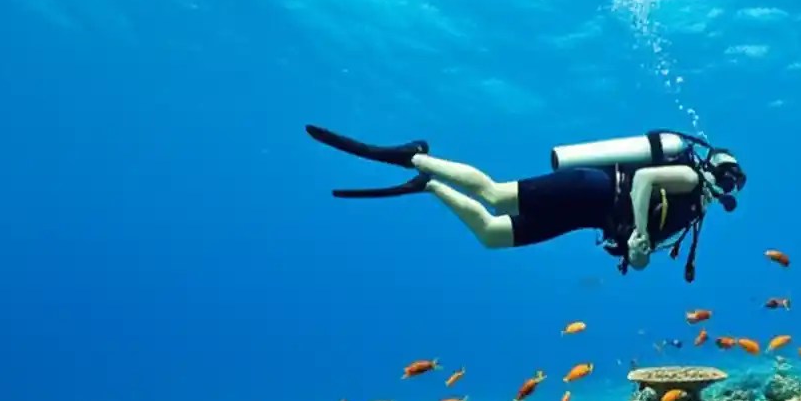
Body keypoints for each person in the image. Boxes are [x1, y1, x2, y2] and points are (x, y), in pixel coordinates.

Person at [304, 126, 747, 282]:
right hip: (591, 188)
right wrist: (642, 233)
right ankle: (413, 155)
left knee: (491, 235)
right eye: (725, 177)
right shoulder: (691, 178)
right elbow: (646, 178)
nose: (724, 187)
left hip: (589, 215)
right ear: (712, 168)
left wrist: (639, 250)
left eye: (731, 184)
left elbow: (640, 256)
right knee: (496, 195)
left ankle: (430, 185)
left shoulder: (693, 216)